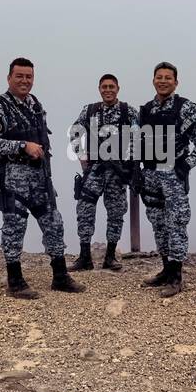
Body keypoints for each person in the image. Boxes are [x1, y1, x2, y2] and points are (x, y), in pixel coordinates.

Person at [0, 58, 86, 299]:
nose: (24, 81)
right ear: (9, 78)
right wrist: (22, 146)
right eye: (19, 76)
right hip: (12, 177)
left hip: (39, 177)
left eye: (29, 77)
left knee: (54, 223)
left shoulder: (35, 104)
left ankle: (60, 276)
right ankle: (15, 281)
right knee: (14, 228)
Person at [137, 62, 196, 296]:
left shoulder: (186, 108)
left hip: (173, 176)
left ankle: (176, 278)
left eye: (168, 78)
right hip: (150, 177)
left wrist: (185, 165)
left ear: (176, 82)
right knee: (158, 223)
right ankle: (166, 270)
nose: (163, 81)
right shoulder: (147, 109)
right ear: (153, 80)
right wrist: (136, 170)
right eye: (159, 77)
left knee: (176, 223)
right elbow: (138, 142)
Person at [68, 74, 137, 272]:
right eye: (104, 87)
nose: (108, 90)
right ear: (99, 89)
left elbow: (139, 135)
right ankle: (84, 257)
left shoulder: (128, 111)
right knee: (84, 211)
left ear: (118, 88)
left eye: (111, 86)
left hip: (117, 173)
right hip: (94, 171)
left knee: (116, 213)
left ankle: (110, 257)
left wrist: (130, 161)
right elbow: (75, 132)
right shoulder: (89, 110)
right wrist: (81, 155)